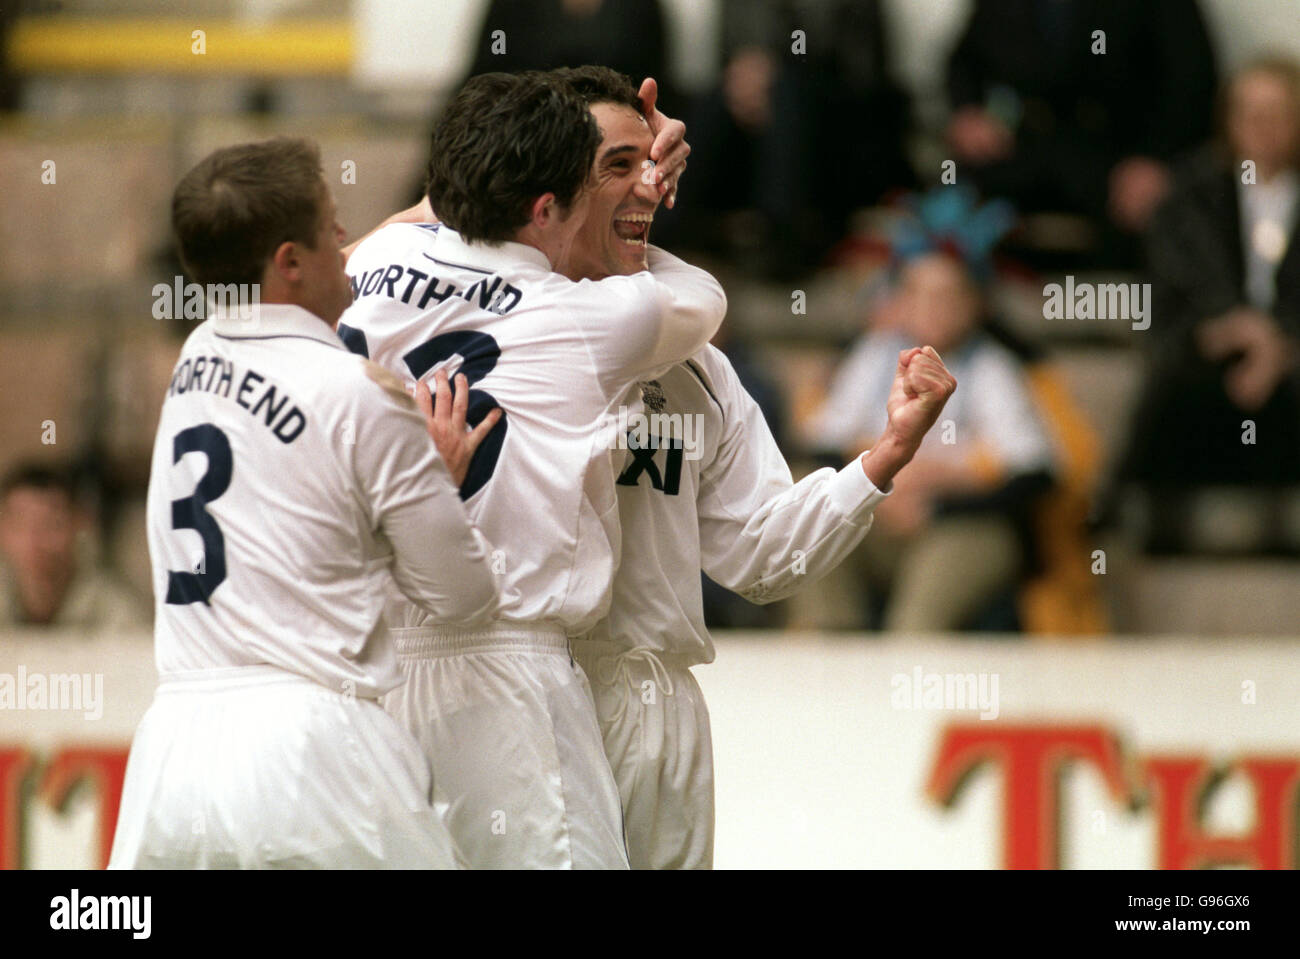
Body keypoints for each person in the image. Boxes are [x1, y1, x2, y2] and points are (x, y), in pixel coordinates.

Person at [536, 66, 954, 868]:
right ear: (546, 189)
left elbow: (760, 557)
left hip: (663, 711)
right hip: (534, 692)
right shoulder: (493, 331)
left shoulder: (698, 366)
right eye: (613, 167)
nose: (646, 187)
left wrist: (881, 459)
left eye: (648, 164)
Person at [339, 70, 721, 868]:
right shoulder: (588, 317)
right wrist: (648, 193)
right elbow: (699, 297)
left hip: (375, 677)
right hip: (508, 674)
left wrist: (455, 189)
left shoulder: (368, 260)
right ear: (547, 208)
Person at [109, 137, 501, 870]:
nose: (348, 242)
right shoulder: (359, 394)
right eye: (332, 227)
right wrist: (437, 483)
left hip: (171, 757)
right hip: (313, 752)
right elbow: (464, 596)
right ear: (289, 260)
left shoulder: (192, 358)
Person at [809, 192, 1055, 631]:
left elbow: (1032, 476)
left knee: (918, 621)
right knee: (805, 519)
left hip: (960, 528)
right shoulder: (874, 354)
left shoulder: (993, 367)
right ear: (899, 300)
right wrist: (875, 493)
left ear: (976, 303)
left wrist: (937, 502)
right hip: (876, 519)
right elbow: (819, 445)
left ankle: (910, 676)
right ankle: (827, 641)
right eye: (920, 294)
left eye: (948, 295)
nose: (934, 308)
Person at [1114, 56, 1300, 550]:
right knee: (1172, 384)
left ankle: (1280, 535)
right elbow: (1172, 286)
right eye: (1249, 112)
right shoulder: (1191, 193)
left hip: (1291, 358)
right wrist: (1230, 330)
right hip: (1210, 348)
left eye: (1277, 112)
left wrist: (1277, 346)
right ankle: (1153, 528)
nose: (1261, 127)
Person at [945, 0, 1217, 264]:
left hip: (1117, 158)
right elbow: (964, 60)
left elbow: (1192, 78)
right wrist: (968, 113)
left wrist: (1155, 160)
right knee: (949, 226)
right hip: (1019, 150)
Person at [0, 463, 148, 631]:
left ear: (79, 525)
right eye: (21, 525)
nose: (35, 541)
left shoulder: (113, 610)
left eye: (51, 524)